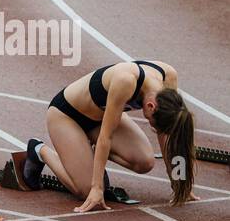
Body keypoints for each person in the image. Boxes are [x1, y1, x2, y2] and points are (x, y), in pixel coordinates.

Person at [14, 60, 194, 211]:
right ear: (150, 107)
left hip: (100, 119)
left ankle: (84, 154)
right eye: (153, 125)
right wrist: (97, 187)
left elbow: (168, 137)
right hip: (67, 117)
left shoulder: (168, 78)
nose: (155, 129)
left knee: (145, 162)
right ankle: (39, 150)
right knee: (86, 191)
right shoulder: (126, 81)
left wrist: (179, 180)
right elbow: (106, 138)